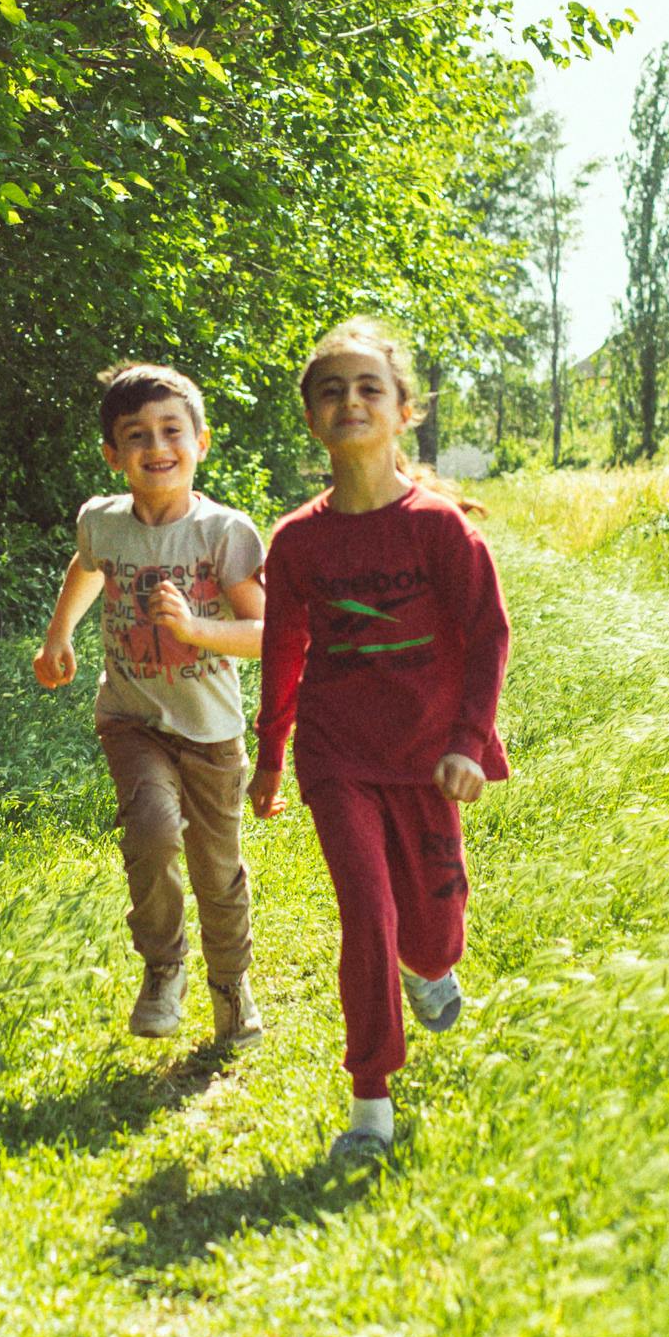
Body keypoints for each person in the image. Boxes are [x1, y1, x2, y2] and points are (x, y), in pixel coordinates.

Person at [249, 317, 509, 1165]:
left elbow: (487, 635)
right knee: (367, 911)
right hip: (339, 755)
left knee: (429, 930)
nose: (350, 400)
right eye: (332, 390)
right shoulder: (296, 542)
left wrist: (470, 741)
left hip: (429, 754)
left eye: (369, 387)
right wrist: (271, 756)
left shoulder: (439, 529)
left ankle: (430, 967)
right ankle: (370, 1103)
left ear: (405, 411)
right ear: (313, 419)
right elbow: (283, 653)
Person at [30, 362, 270, 1041]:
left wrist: (195, 628)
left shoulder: (224, 532)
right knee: (152, 836)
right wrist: (57, 638)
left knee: (217, 871)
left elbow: (271, 633)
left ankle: (230, 982)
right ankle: (164, 968)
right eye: (136, 435)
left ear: (201, 441)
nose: (156, 446)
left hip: (211, 731)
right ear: (113, 455)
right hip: (131, 718)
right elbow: (85, 568)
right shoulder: (103, 523)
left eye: (171, 430)